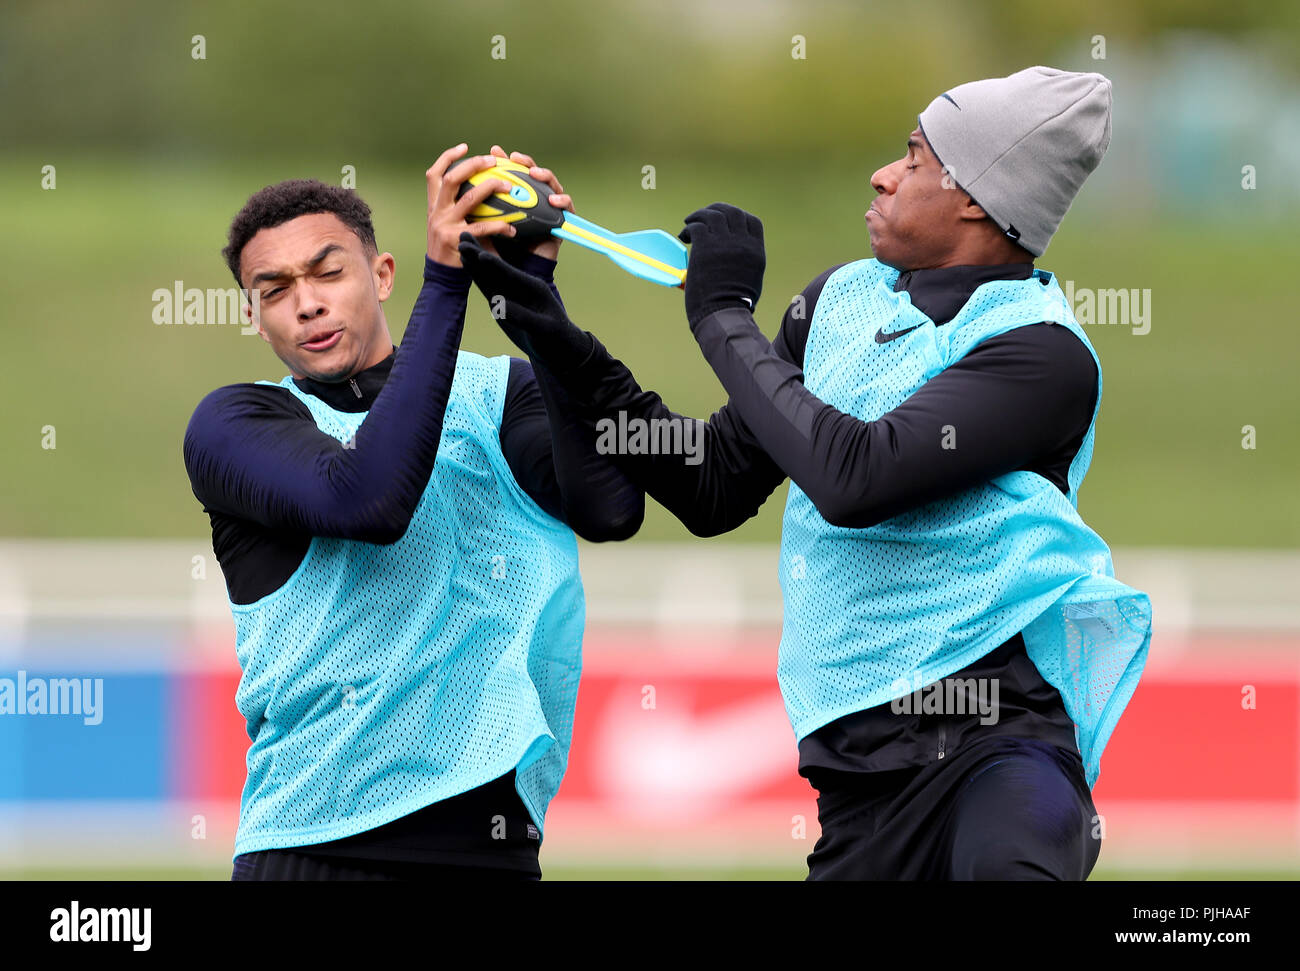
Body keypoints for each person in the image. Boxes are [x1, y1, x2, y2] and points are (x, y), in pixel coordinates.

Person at [457, 67, 1152, 880]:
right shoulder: (839, 301)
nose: (884, 175)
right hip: (855, 781)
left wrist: (721, 319)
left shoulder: (1042, 350)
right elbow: (711, 483)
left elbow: (855, 478)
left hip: (996, 750)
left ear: (975, 198)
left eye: (915, 158)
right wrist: (537, 309)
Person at [183, 144, 642, 880]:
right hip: (313, 845)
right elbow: (371, 499)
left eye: (329, 272)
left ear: (383, 274)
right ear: (255, 318)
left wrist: (533, 298)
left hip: (493, 849)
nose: (306, 302)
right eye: (274, 290)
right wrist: (449, 283)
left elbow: (612, 507)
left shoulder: (501, 395)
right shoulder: (235, 423)